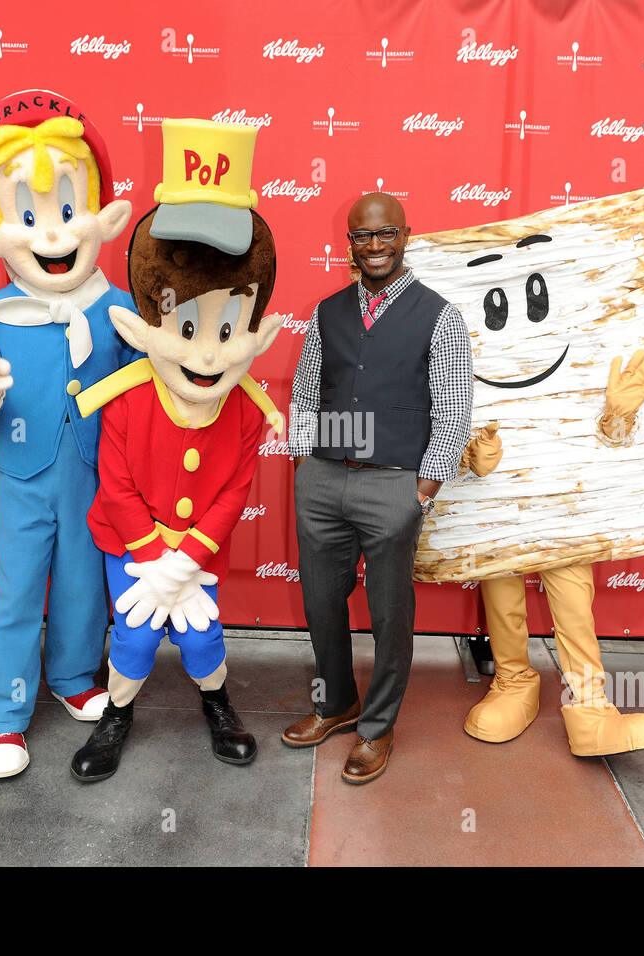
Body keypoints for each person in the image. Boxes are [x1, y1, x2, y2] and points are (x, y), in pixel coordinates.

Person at [69, 118, 283, 782]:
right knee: (132, 633)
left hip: (197, 548)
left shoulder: (246, 407)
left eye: (227, 327)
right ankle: (119, 714)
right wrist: (154, 560)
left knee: (201, 634)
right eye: (187, 325)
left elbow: (232, 492)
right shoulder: (129, 397)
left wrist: (185, 561)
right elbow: (116, 484)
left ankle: (217, 702)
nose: (208, 352)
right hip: (130, 544)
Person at [0, 90, 138, 779]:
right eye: (29, 217)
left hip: (95, 476)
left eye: (64, 211)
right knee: (19, 591)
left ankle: (73, 676)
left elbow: (145, 379)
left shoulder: (119, 307)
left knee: (85, 585)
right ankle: (4, 716)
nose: (52, 235)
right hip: (24, 478)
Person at [283, 193, 473, 783]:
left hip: (393, 486)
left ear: (406, 236)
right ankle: (335, 702)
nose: (373, 246)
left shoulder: (438, 316)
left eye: (384, 234)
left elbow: (453, 407)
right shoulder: (327, 313)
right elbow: (307, 392)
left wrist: (421, 491)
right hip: (323, 480)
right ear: (350, 244)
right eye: (361, 237)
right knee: (320, 603)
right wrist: (304, 464)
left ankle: (378, 726)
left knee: (391, 614)